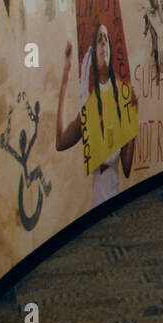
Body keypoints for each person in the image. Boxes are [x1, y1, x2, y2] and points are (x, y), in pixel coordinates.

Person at [56, 26, 139, 206]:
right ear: (93, 56)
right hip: (98, 200)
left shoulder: (121, 97)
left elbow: (126, 167)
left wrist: (132, 114)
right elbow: (61, 142)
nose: (103, 43)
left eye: (106, 39)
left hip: (114, 193)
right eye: (99, 39)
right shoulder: (89, 106)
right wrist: (65, 75)